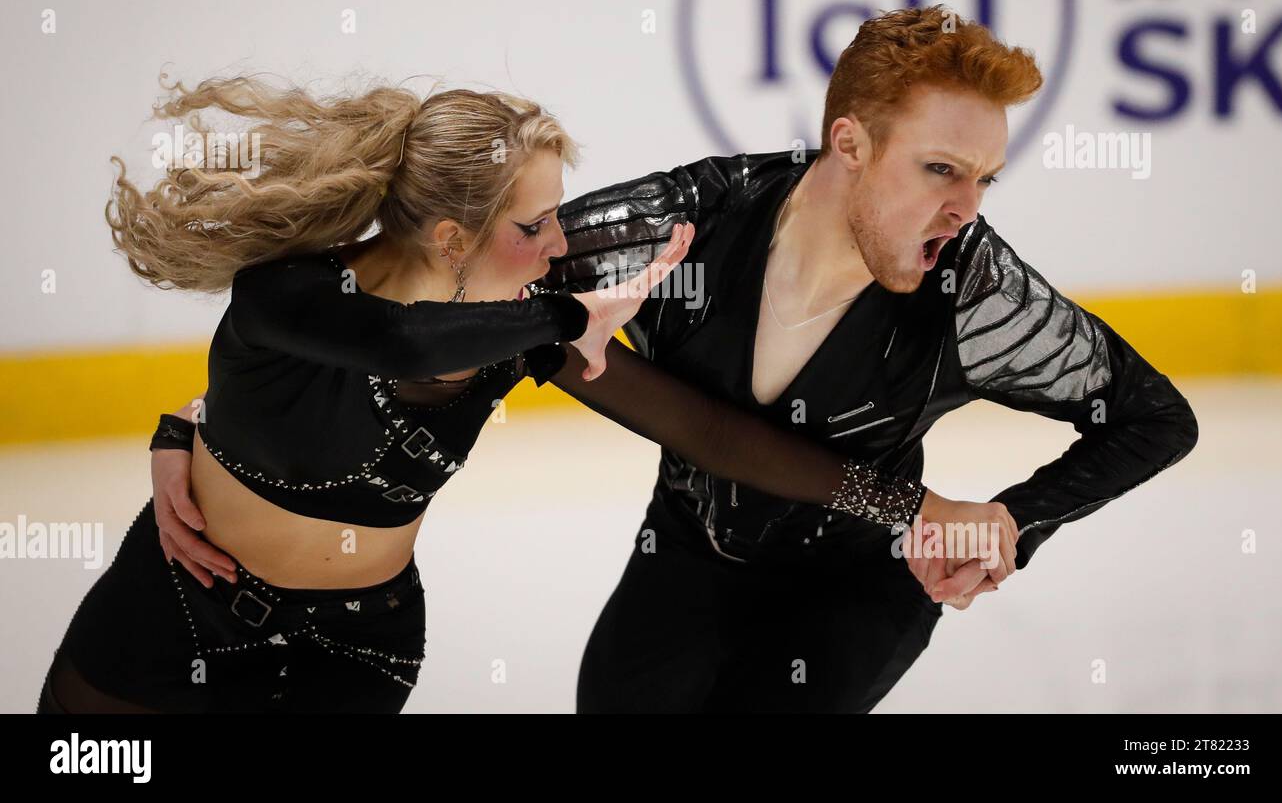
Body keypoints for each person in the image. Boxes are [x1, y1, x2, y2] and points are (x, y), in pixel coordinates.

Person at [37, 74, 985, 713]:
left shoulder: (515, 323)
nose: (559, 246)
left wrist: (905, 503)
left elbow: (708, 433)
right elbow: (395, 339)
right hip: (177, 605)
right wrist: (569, 320)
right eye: (535, 225)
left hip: (357, 646)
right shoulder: (288, 293)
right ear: (452, 237)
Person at [533, 6, 1201, 712]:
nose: (966, 209)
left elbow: (1154, 416)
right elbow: (484, 287)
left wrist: (1015, 518)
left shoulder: (973, 291)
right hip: (681, 556)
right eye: (941, 169)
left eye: (985, 179)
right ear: (849, 143)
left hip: (854, 589)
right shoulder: (689, 225)